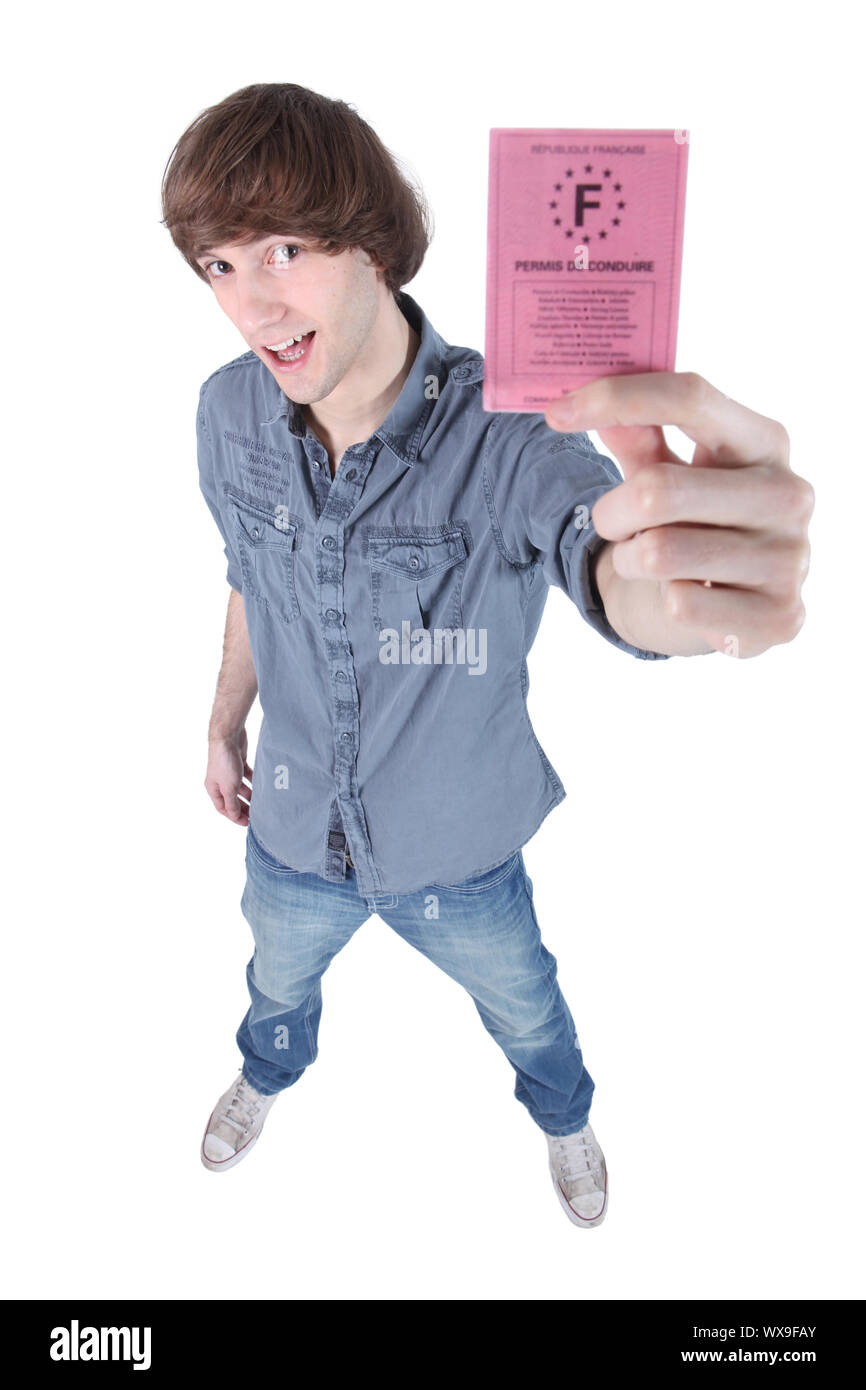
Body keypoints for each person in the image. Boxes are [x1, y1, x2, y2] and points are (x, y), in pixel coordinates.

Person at [160, 83, 814, 1229]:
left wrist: (669, 586)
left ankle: (563, 1119)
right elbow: (248, 576)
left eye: (280, 249)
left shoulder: (513, 433)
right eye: (218, 265)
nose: (250, 305)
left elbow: (595, 557)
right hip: (292, 830)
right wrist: (223, 723)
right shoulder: (224, 413)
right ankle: (267, 1075)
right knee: (272, 983)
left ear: (372, 246)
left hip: (457, 849)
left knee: (527, 1008)